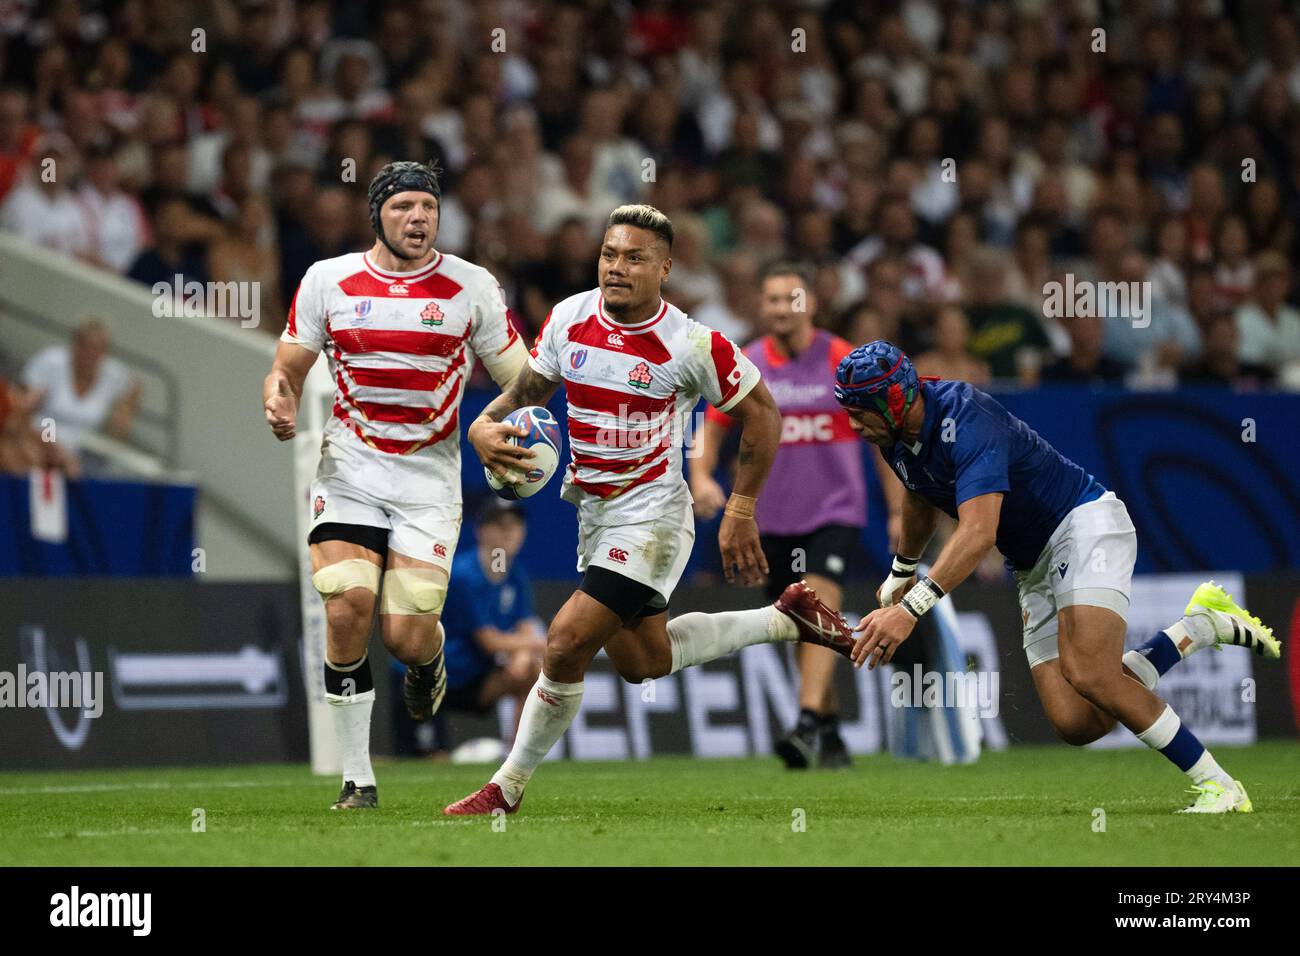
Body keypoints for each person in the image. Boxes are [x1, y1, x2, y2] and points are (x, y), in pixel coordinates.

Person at [444, 204, 856, 815]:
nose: (616, 268)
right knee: (645, 662)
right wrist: (484, 421)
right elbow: (534, 386)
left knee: (564, 642)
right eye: (610, 254)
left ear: (664, 268)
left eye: (634, 258)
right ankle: (786, 618)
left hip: (653, 517)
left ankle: (504, 788)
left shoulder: (691, 343)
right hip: (596, 514)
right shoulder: (567, 318)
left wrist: (741, 507)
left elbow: (763, 413)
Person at [839, 341, 1280, 813]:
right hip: (1032, 561)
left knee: (1090, 672)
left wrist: (910, 609)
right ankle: (1198, 627)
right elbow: (918, 493)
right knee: (1077, 722)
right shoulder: (892, 437)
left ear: (895, 400)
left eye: (861, 411)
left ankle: (1220, 786)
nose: (852, 423)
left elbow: (979, 533)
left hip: (1082, 524)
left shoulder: (966, 417)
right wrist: (901, 570)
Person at [262, 160, 531, 810]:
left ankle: (430, 658)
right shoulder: (328, 280)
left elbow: (522, 381)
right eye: (404, 206)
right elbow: (287, 367)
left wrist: (506, 430)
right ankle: (358, 778)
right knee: (346, 607)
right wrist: (279, 399)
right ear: (377, 214)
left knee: (406, 637)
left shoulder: (470, 287)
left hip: (427, 484)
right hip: (349, 472)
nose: (418, 218)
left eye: (428, 208)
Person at [690, 260, 890, 769]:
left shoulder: (844, 358)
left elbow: (882, 441)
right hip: (770, 521)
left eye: (792, 298)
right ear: (762, 306)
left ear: (811, 304)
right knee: (804, 625)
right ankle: (829, 730)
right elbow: (709, 432)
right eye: (774, 299)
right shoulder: (747, 364)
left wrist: (897, 508)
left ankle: (802, 724)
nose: (782, 308)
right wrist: (702, 477)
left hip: (835, 512)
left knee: (818, 600)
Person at [392, 497, 545, 755]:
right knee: (429, 762)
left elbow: (523, 625)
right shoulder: (464, 574)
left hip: (473, 678)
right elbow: (489, 642)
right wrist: (543, 644)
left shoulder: (515, 574)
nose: (509, 532)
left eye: (516, 525)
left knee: (531, 671)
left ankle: (518, 755)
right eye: (500, 524)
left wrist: (525, 654)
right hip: (430, 679)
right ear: (481, 530)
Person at [22, 319, 140, 472]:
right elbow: (25, 410)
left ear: (105, 352)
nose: (90, 354)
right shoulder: (52, 362)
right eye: (85, 347)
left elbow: (135, 386)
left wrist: (126, 408)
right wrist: (52, 446)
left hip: (83, 449)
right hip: (44, 433)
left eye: (97, 349)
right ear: (74, 344)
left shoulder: (113, 375)